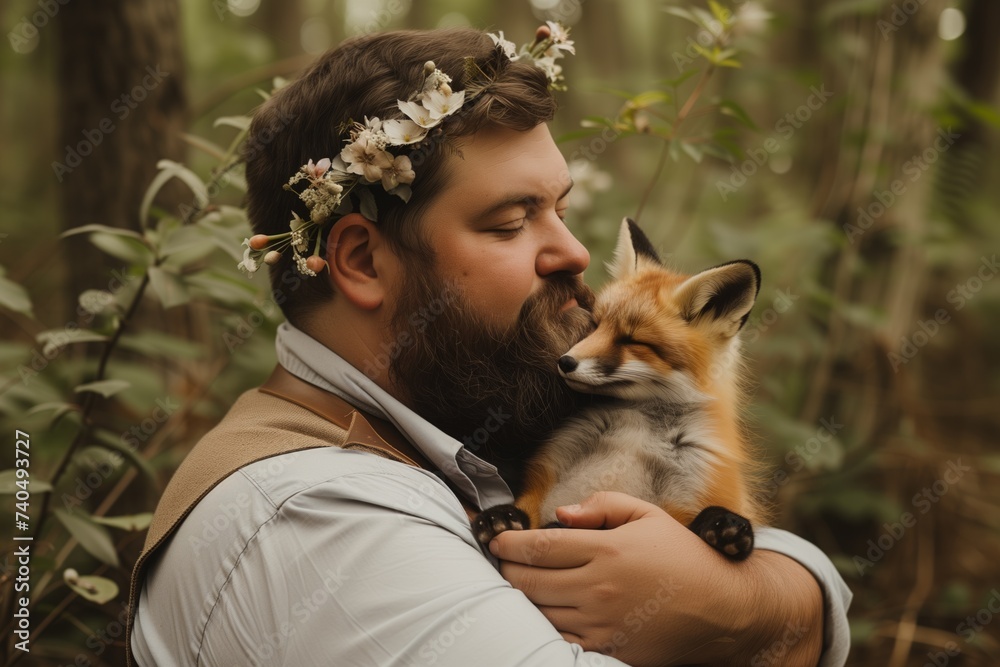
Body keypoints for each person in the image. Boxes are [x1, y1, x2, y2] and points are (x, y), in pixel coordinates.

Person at [129, 24, 851, 666]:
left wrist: (761, 599)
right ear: (360, 262)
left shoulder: (451, 418)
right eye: (511, 222)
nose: (574, 254)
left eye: (563, 211)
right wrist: (759, 614)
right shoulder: (321, 522)